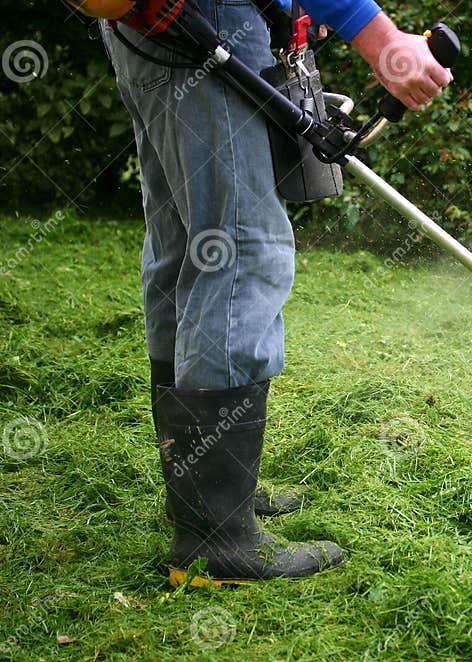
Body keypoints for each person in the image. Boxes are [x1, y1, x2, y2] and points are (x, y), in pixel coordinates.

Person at [74, 0, 452, 584]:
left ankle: (206, 496)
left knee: (187, 243)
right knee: (239, 249)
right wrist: (377, 36)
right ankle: (217, 544)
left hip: (148, 26)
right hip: (205, 20)